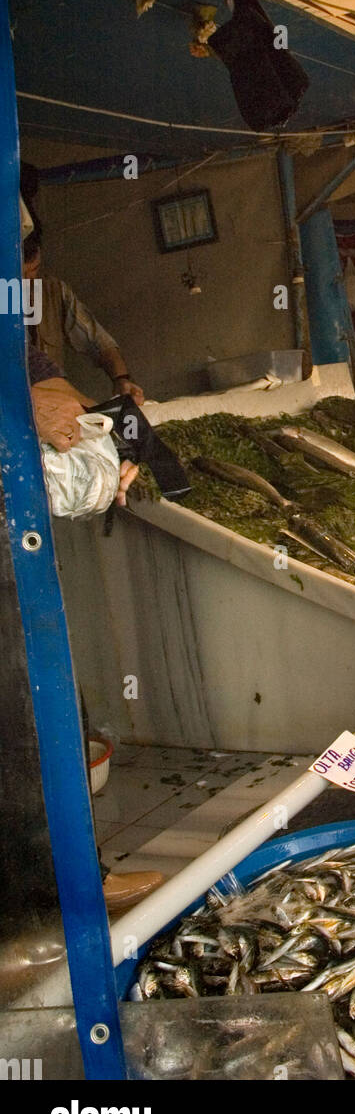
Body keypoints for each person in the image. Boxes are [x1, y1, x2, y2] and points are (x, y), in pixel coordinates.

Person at [25, 345, 161, 913]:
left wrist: (105, 434)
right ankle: (56, 892)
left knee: (49, 708)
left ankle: (74, 881)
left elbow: (39, 373)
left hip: (18, 552)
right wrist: (20, 407)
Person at [20, 163, 144, 403]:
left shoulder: (53, 291)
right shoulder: (6, 300)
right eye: (19, 275)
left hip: (57, 410)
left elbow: (98, 341)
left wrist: (121, 380)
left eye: (33, 271)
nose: (28, 281)